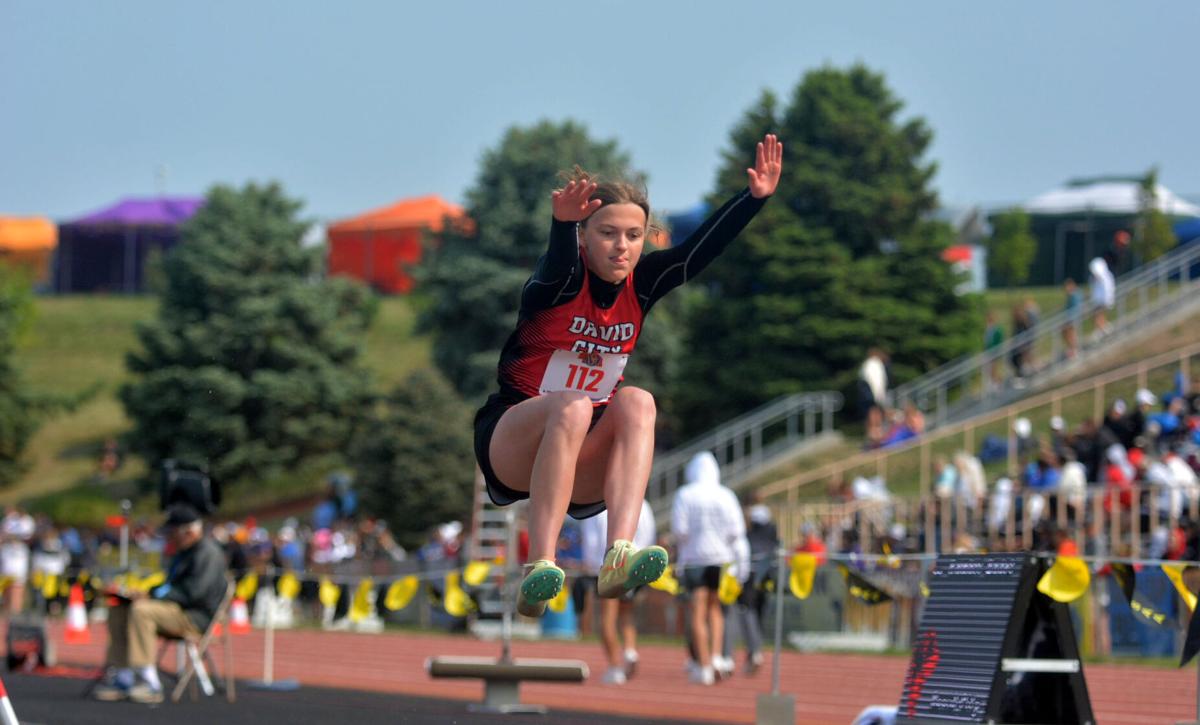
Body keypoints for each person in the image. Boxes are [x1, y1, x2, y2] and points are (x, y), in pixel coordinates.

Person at [473, 134, 782, 617]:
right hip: (512, 441)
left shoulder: (642, 285)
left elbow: (695, 254)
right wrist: (561, 224)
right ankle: (540, 567)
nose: (622, 247)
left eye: (634, 236)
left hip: (580, 455)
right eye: (608, 233)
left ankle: (618, 554)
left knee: (638, 401)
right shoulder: (559, 283)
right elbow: (557, 265)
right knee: (573, 405)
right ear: (584, 237)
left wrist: (753, 199)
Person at [93, 504, 228, 704]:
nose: (169, 538)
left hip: (195, 616)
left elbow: (194, 593)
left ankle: (149, 681)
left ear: (188, 532)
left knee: (141, 610)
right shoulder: (183, 552)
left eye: (172, 533)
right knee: (120, 608)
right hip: (176, 608)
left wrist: (153, 597)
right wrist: (146, 593)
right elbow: (169, 585)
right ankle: (123, 676)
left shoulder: (208, 553)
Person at [672, 451, 746, 685]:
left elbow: (680, 530)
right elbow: (736, 531)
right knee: (716, 610)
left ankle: (703, 665)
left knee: (698, 612)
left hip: (694, 559)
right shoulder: (726, 495)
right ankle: (716, 657)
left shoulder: (685, 494)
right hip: (721, 560)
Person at [579, 499, 657, 685]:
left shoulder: (596, 506)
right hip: (633, 565)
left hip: (606, 567)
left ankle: (615, 666)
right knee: (627, 613)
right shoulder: (641, 502)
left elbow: (591, 541)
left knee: (607, 618)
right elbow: (649, 533)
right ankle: (629, 650)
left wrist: (592, 567)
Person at [1061, 278, 1082, 359]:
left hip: (1073, 318)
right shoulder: (1071, 295)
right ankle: (1071, 349)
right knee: (1066, 333)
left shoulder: (1075, 295)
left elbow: (1076, 308)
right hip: (1070, 318)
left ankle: (1074, 350)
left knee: (1071, 334)